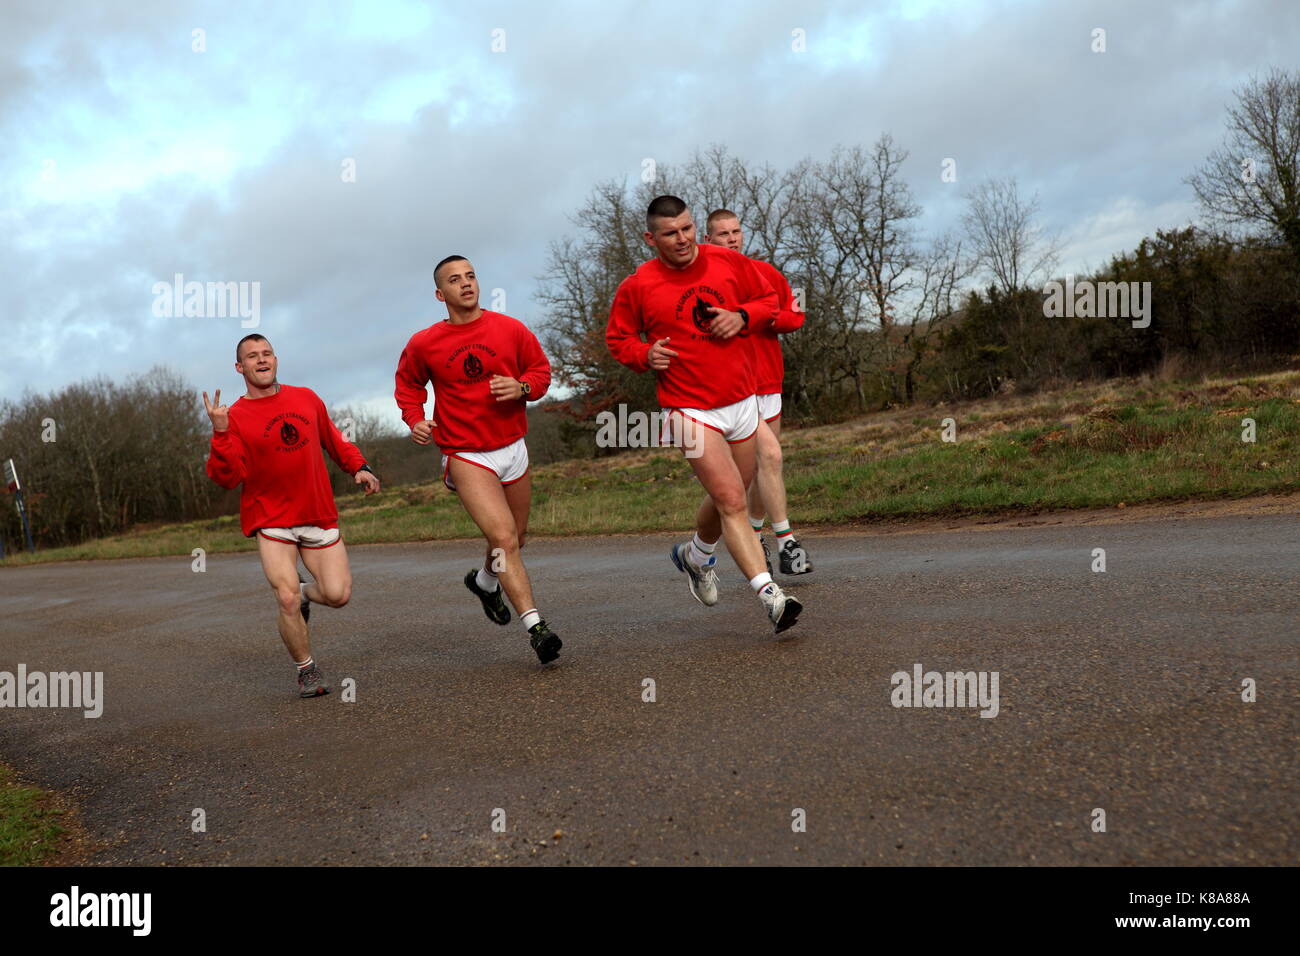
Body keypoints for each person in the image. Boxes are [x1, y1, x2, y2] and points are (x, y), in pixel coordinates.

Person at [606, 195, 803, 634]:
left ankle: (695, 556)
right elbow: (618, 339)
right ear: (651, 238)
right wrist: (644, 352)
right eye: (671, 233)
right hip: (688, 407)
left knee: (733, 489)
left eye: (688, 228)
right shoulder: (638, 285)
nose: (682, 240)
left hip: (740, 401)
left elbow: (772, 300)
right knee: (733, 500)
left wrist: (742, 316)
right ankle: (771, 596)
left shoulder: (726, 263)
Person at [395, 255, 562, 664]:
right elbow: (408, 385)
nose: (466, 284)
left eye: (470, 276)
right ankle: (536, 628)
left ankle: (487, 582)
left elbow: (541, 373)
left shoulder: (510, 328)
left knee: (516, 539)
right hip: (465, 452)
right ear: (441, 294)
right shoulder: (424, 342)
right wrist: (415, 420)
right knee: (503, 539)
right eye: (455, 280)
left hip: (512, 447)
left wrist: (521, 386)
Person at [204, 334, 380, 698]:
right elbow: (227, 477)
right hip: (271, 519)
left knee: (337, 595)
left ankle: (303, 593)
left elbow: (334, 440)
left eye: (267, 353)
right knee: (283, 599)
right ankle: (307, 670)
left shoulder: (306, 398)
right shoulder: (234, 416)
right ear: (240, 367)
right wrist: (221, 433)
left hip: (316, 513)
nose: (262, 360)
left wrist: (358, 466)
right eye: (252, 356)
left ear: (276, 359)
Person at [705, 209, 813, 576]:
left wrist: (755, 316)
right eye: (723, 234)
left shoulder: (766, 273)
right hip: (737, 387)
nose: (731, 238)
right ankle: (787, 542)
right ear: (709, 239)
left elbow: (794, 316)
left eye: (736, 231)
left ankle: (750, 537)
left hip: (770, 382)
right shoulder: (708, 281)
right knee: (771, 455)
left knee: (760, 469)